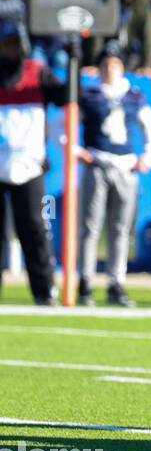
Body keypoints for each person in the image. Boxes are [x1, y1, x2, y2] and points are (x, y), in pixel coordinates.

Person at [77, 42, 151, 308]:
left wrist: (148, 159)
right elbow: (63, 125)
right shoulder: (89, 95)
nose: (110, 69)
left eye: (115, 64)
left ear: (123, 67)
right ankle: (86, 282)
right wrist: (76, 150)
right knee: (90, 227)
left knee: (121, 229)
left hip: (125, 167)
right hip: (98, 165)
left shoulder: (134, 96)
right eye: (105, 64)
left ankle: (116, 283)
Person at [0, 20, 67, 305]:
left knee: (35, 230)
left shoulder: (37, 74)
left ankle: (44, 291)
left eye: (14, 44)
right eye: (5, 45)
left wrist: (74, 62)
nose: (10, 50)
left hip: (29, 166)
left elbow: (65, 97)